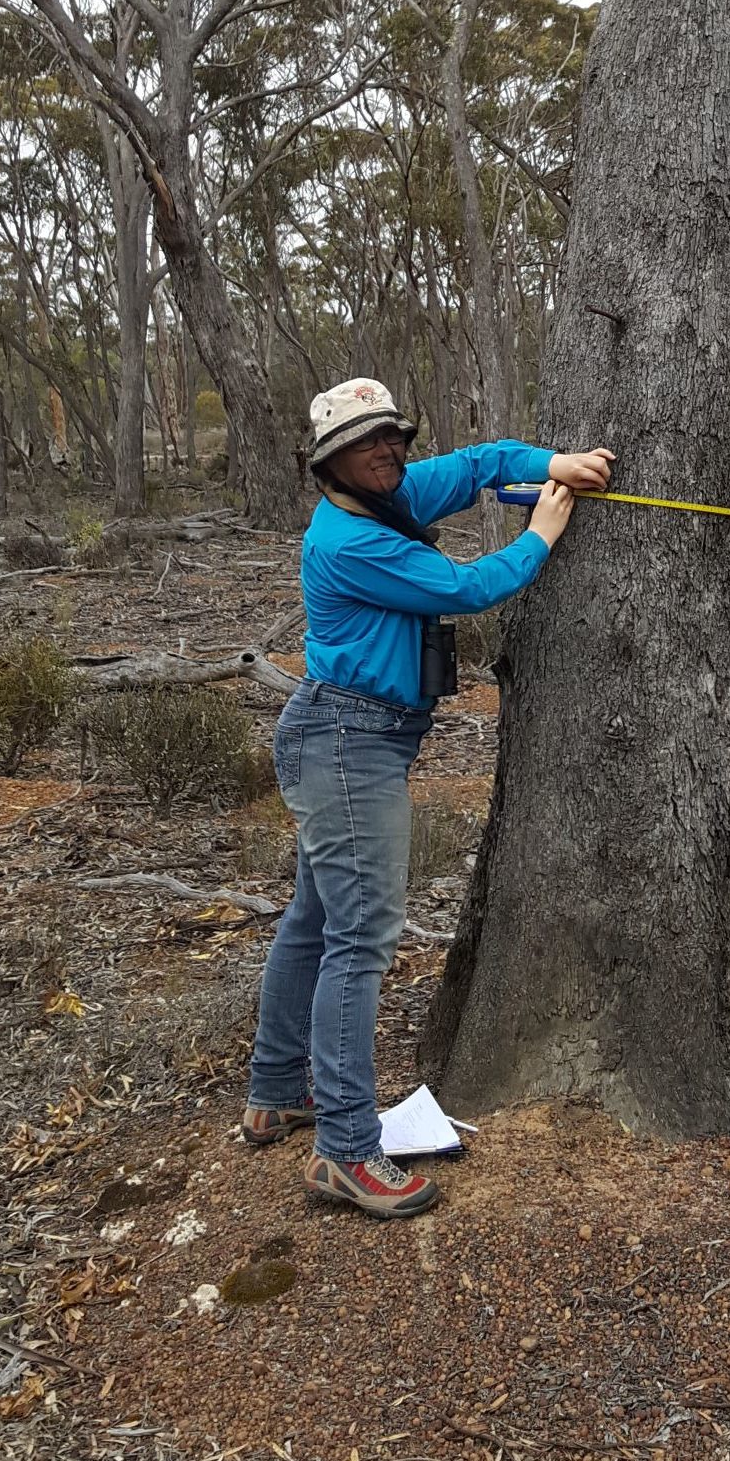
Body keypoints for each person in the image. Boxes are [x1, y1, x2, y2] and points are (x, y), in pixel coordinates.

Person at [243, 376, 613, 1219]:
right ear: (326, 464)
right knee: (361, 934)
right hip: (346, 741)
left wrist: (552, 462)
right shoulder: (350, 541)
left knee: (313, 917)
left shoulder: (396, 490)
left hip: (347, 737)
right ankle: (343, 1148)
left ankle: (275, 1093)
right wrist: (543, 535)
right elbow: (460, 589)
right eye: (365, 444)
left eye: (394, 436)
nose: (388, 452)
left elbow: (482, 463)